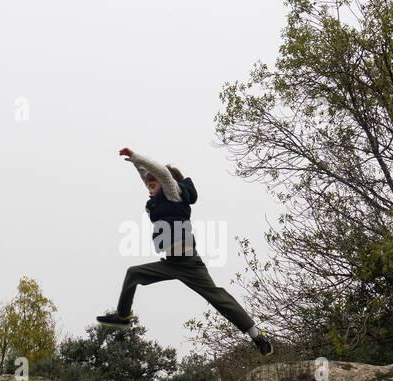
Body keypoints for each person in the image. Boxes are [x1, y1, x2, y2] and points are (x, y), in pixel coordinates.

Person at [96, 147, 273, 356]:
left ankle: (257, 335)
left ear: (166, 184)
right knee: (133, 273)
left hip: (189, 263)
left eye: (153, 186)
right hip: (170, 263)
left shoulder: (174, 193)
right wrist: (136, 165)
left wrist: (137, 156)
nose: (149, 189)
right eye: (149, 186)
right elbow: (149, 177)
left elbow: (161, 173)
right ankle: (123, 316)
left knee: (218, 297)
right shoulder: (158, 199)